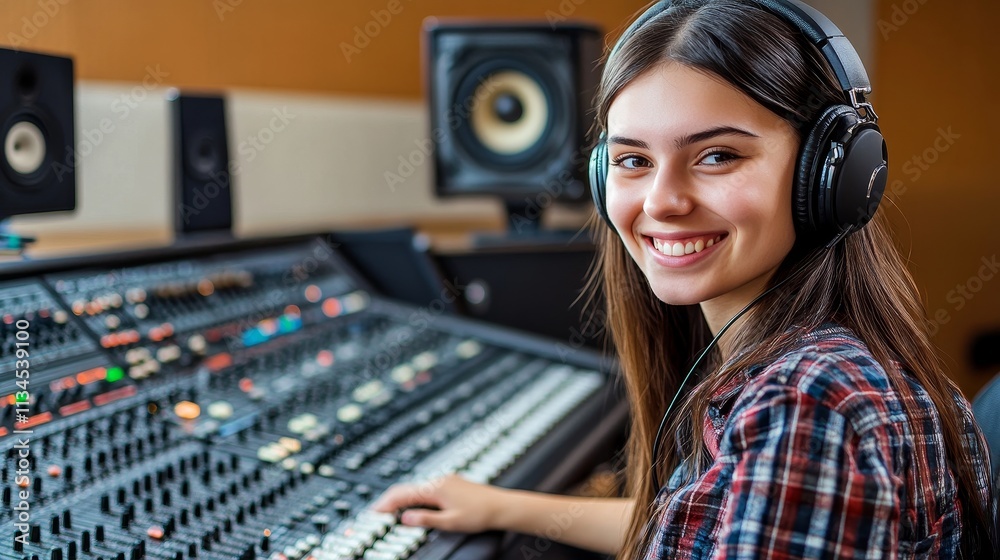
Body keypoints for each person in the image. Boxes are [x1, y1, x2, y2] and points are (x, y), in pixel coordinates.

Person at [373, 1, 998, 557]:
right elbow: (700, 527)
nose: (663, 200)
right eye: (633, 160)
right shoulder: (809, 370)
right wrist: (505, 507)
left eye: (717, 155)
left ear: (829, 176)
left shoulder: (807, 407)